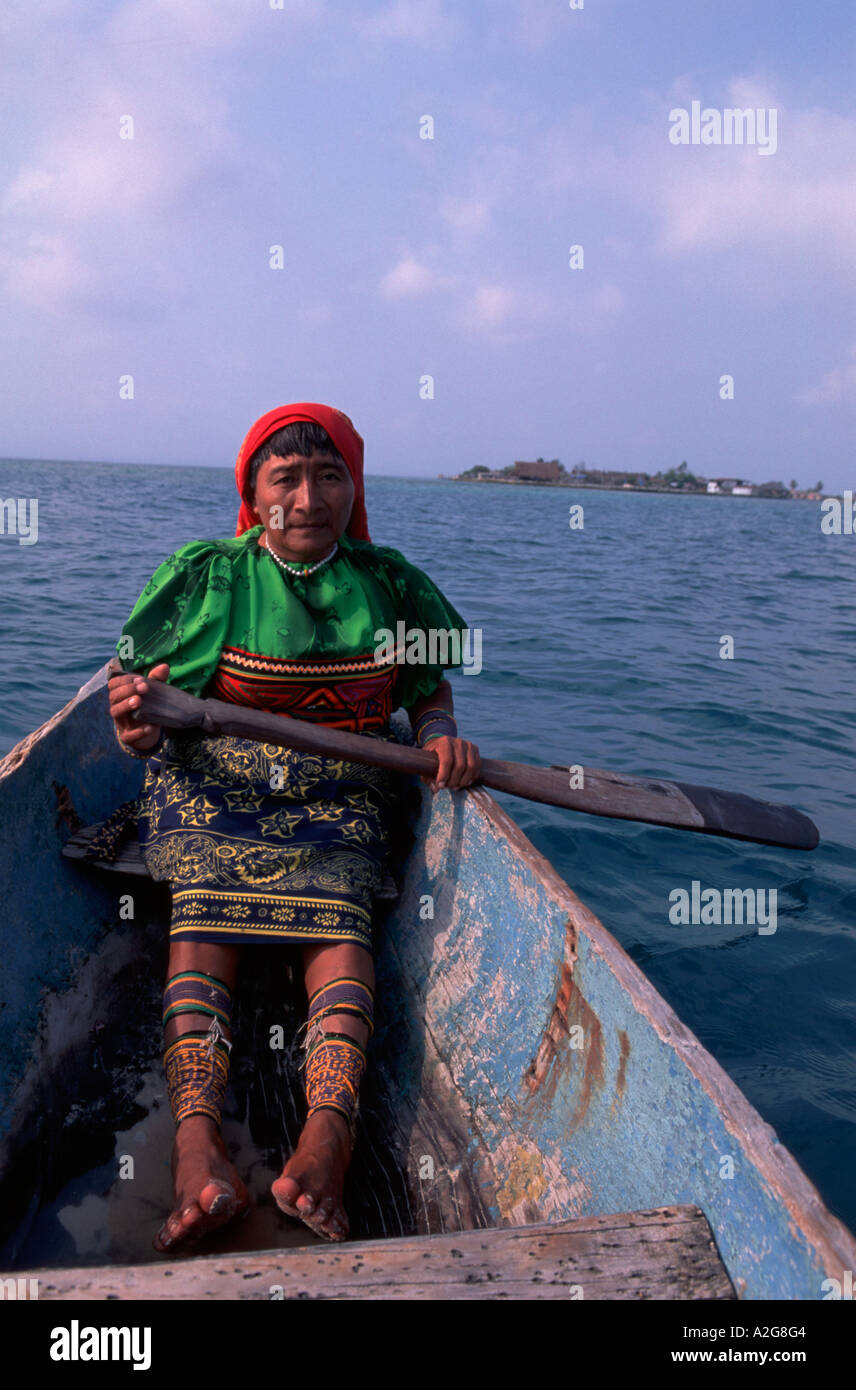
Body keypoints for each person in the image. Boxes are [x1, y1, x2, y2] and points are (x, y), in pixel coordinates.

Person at [106, 403, 480, 1251]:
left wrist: (437, 739)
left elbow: (426, 692)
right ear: (253, 493)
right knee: (203, 903)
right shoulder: (213, 577)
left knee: (340, 906)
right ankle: (196, 1142)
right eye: (286, 479)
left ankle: (328, 1139)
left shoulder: (388, 585)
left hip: (341, 786)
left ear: (353, 487)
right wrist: (135, 724)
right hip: (216, 777)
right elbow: (139, 705)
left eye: (330, 475)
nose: (309, 498)